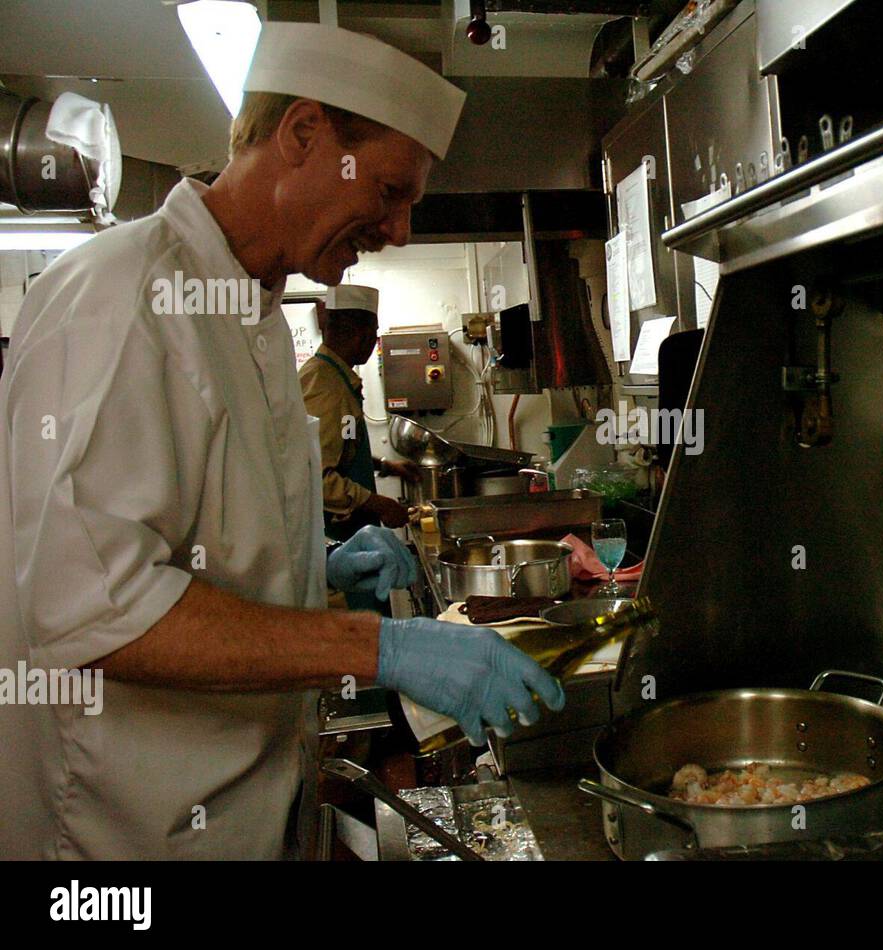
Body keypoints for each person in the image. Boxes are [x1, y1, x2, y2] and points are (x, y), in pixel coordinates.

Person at [0, 22, 562, 860]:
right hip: (123, 842)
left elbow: (184, 550)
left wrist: (308, 569)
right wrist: (381, 644)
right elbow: (93, 616)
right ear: (304, 135)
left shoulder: (252, 312)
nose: (402, 229)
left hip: (247, 817)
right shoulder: (124, 301)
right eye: (389, 190)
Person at [299, 285, 419, 538]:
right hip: (335, 536)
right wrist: (379, 504)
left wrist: (385, 465)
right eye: (374, 334)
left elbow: (341, 448)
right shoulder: (327, 388)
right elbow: (314, 476)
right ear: (362, 336)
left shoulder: (335, 377)